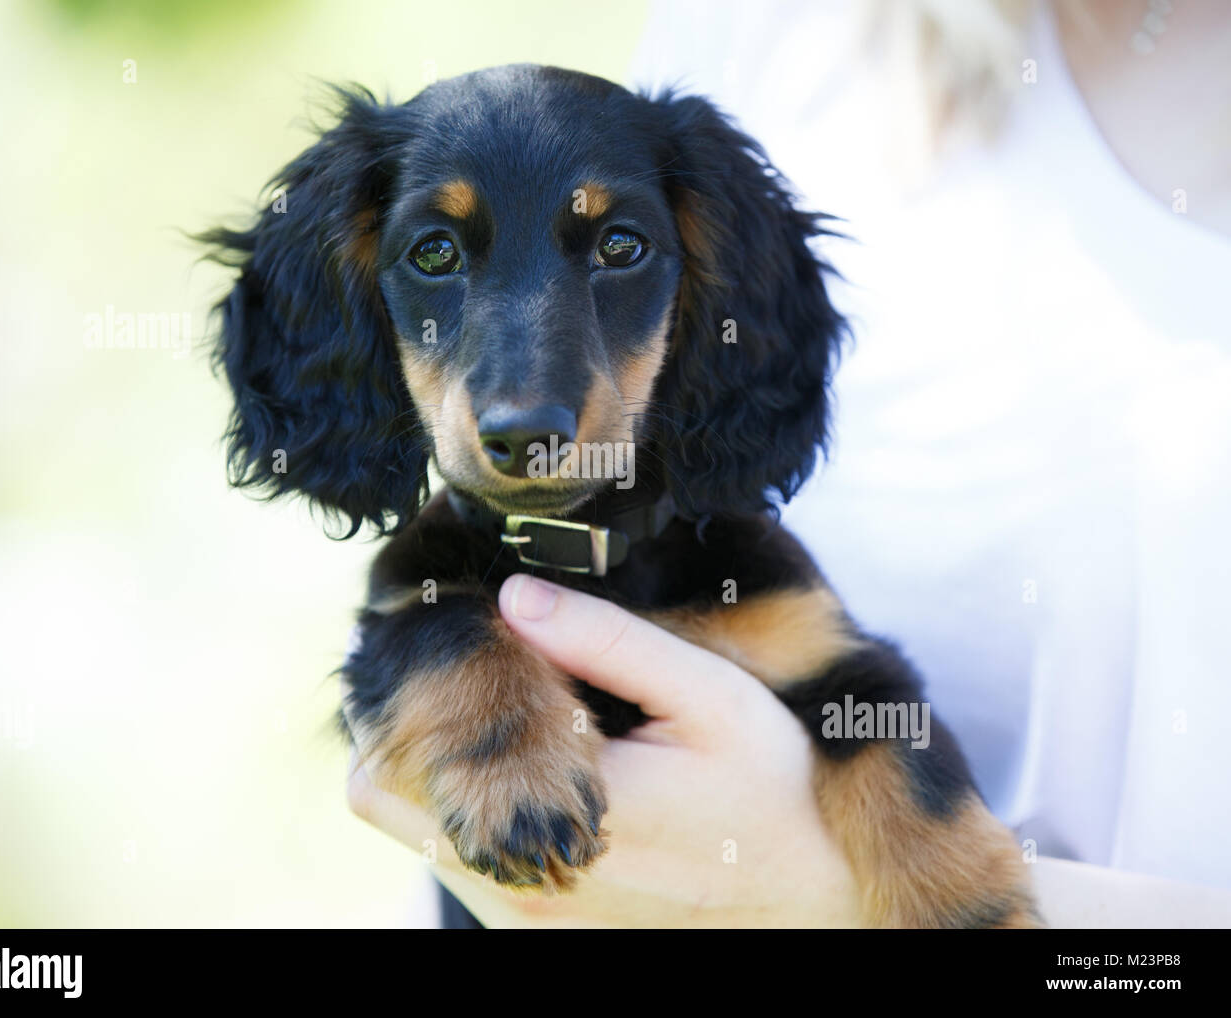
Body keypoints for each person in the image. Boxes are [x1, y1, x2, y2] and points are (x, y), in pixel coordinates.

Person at [348, 0, 1231, 926]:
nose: (524, 405)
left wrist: (822, 902)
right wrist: (477, 728)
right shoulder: (769, 27)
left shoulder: (747, 578)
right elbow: (390, 687)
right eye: (436, 251)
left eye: (618, 248)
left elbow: (867, 705)